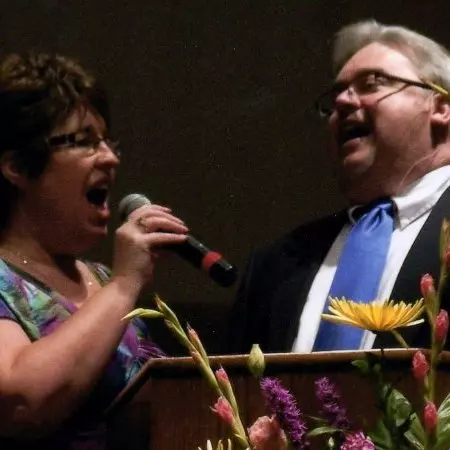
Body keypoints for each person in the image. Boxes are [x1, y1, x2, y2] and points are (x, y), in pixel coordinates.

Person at [0, 52, 189, 449]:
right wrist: (124, 286)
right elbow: (19, 403)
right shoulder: (112, 284)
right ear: (16, 166)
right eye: (84, 141)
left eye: (107, 141)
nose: (110, 157)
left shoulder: (101, 278)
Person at [228, 19, 450, 354]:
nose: (344, 102)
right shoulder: (275, 266)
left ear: (441, 107)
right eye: (335, 97)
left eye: (372, 83)